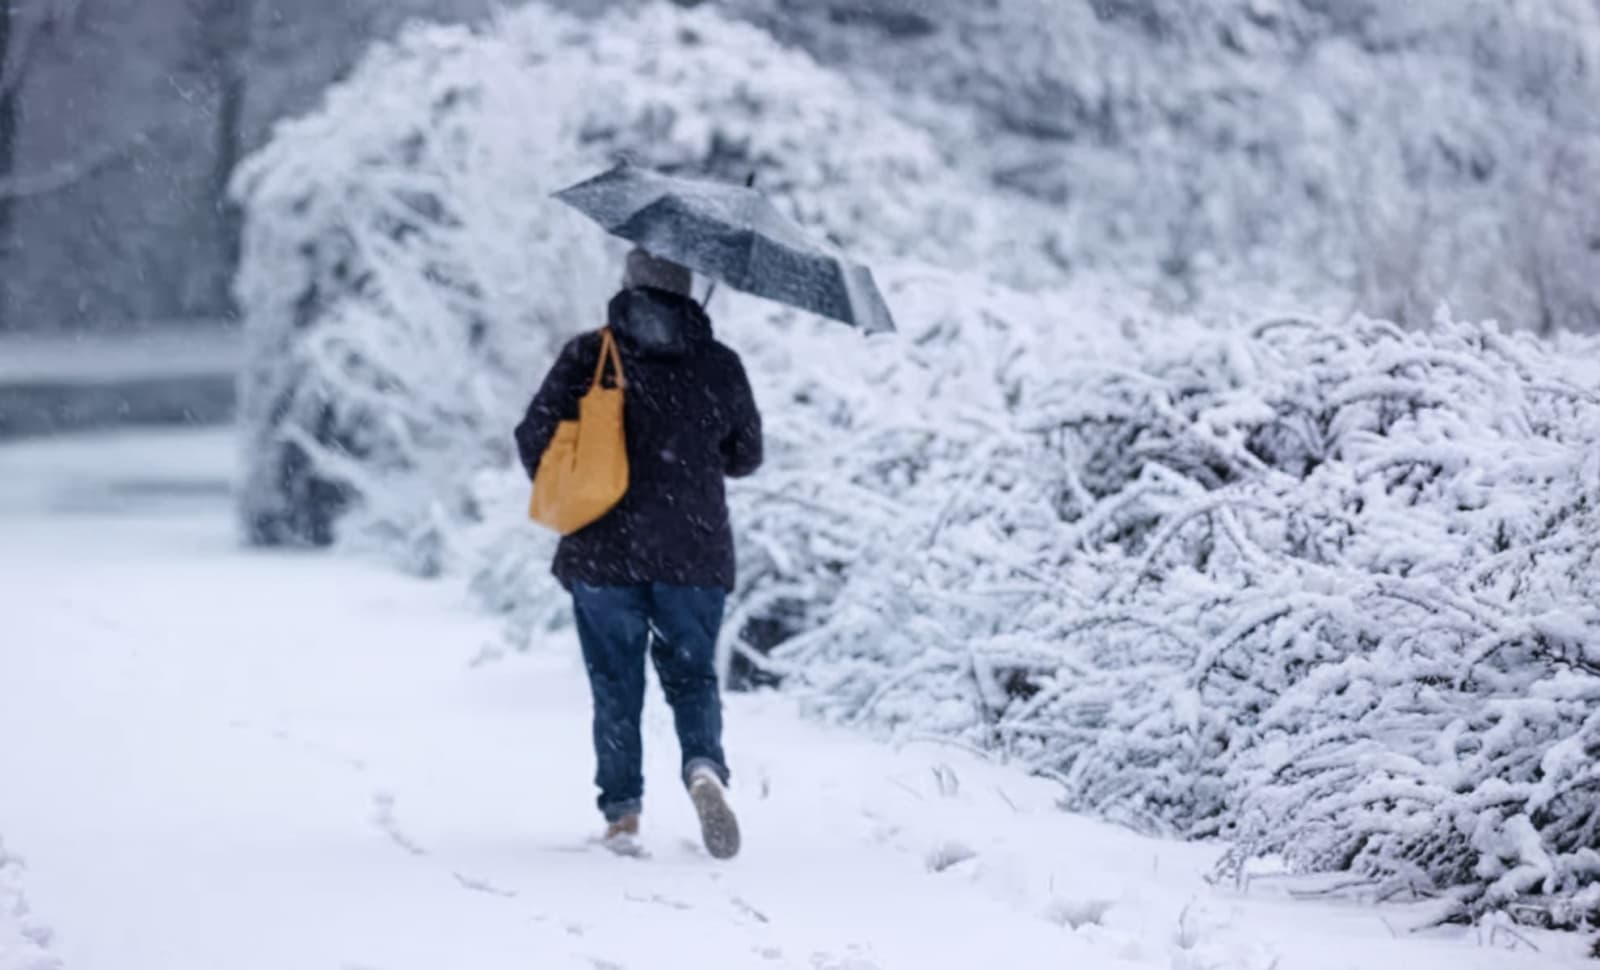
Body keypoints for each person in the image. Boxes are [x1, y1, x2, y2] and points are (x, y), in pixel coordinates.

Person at [513, 248, 763, 859]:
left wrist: (584, 476)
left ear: (628, 285)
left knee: (615, 682)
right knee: (692, 675)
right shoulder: (719, 363)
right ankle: (703, 767)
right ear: (688, 289)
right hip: (693, 551)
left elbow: (533, 435)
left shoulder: (589, 354)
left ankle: (622, 814)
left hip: (603, 550)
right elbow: (746, 455)